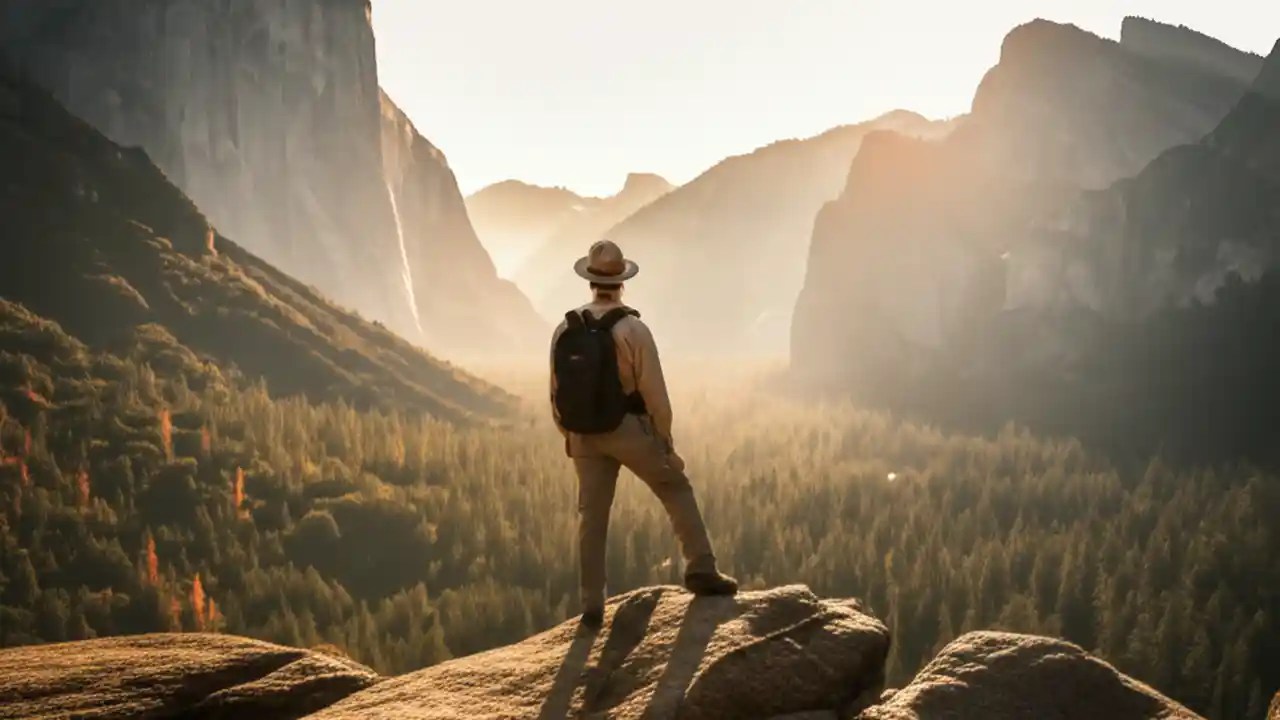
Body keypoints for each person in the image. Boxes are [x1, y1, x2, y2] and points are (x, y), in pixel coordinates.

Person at [549, 239, 738, 631]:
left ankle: (591, 606)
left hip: (583, 435)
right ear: (622, 282)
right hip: (627, 429)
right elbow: (656, 396)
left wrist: (571, 435)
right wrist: (664, 443)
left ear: (589, 282)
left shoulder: (564, 328)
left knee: (591, 516)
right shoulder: (633, 328)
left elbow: (555, 392)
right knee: (676, 488)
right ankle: (701, 568)